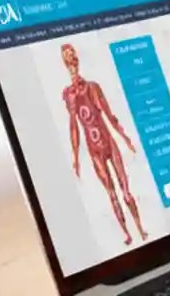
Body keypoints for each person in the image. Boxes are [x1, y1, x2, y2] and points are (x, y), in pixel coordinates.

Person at [61, 43, 149, 246]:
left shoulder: (92, 87)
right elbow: (74, 126)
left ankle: (140, 229)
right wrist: (75, 157)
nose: (72, 57)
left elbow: (109, 115)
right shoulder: (69, 94)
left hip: (108, 141)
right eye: (68, 55)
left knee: (125, 191)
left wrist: (124, 138)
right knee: (112, 194)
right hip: (94, 151)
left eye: (73, 53)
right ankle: (128, 235)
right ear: (65, 61)